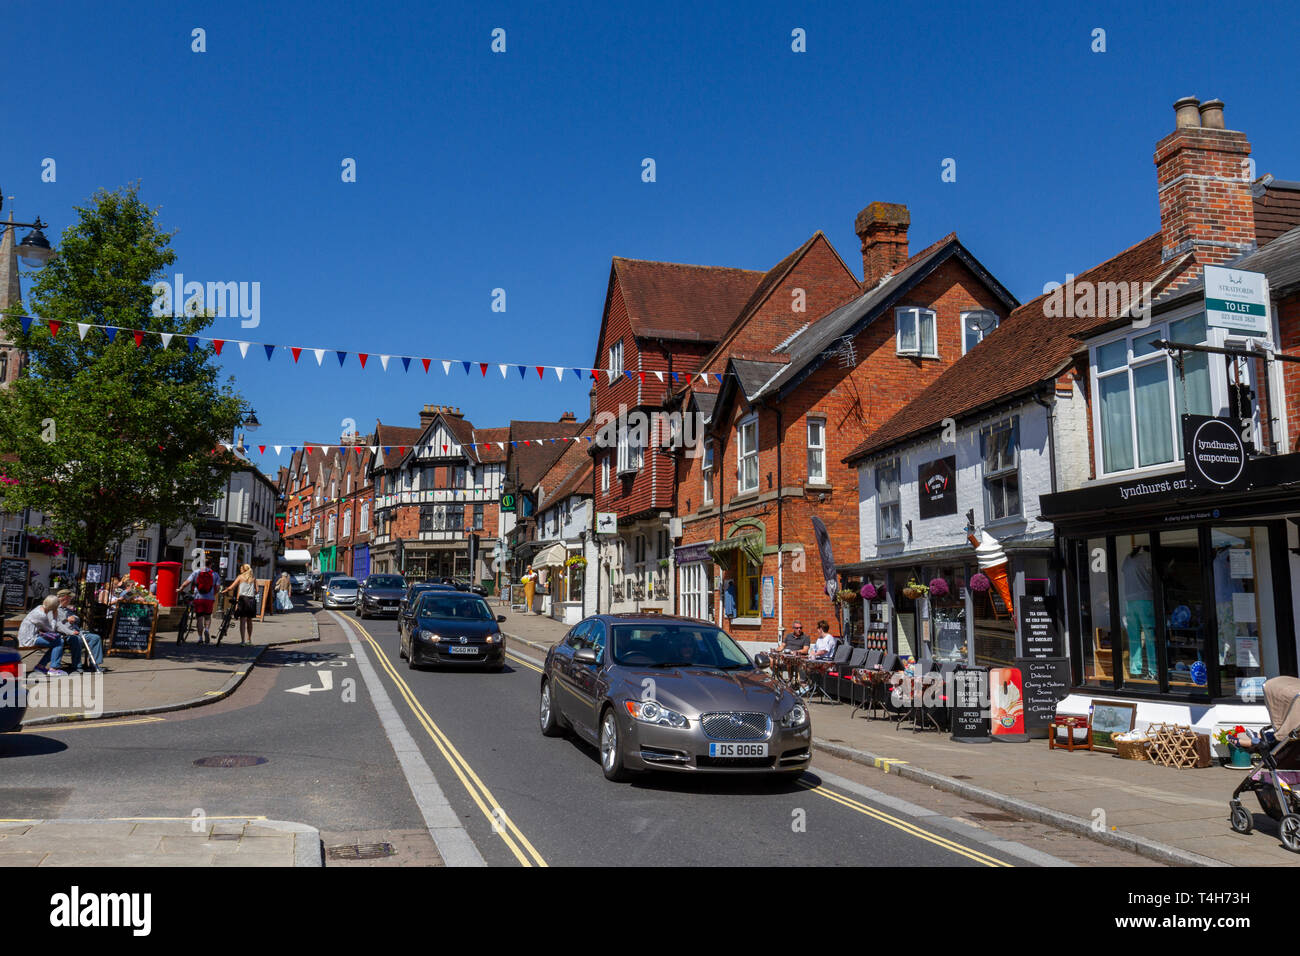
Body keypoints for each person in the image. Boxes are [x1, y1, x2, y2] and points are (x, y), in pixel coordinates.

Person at [17, 595, 72, 676]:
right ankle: (53, 669)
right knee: (59, 642)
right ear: (53, 607)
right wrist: (55, 616)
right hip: (29, 639)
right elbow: (51, 629)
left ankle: (41, 666)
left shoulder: (39, 607)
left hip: (29, 636)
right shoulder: (41, 615)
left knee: (57, 642)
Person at [55, 589, 104, 673]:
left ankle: (95, 663)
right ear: (64, 598)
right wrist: (66, 619)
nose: (70, 600)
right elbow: (56, 624)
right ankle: (77, 665)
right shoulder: (54, 609)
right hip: (65, 634)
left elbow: (77, 618)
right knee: (76, 639)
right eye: (69, 598)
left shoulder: (67, 609)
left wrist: (74, 618)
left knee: (95, 638)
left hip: (77, 632)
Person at [180, 564, 222, 644]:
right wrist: (213, 594)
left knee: (199, 618)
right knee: (208, 617)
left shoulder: (196, 572)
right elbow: (217, 588)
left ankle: (200, 638)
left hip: (198, 597)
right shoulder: (215, 574)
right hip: (209, 599)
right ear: (211, 565)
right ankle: (206, 630)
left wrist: (181, 588)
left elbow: (187, 582)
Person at [222, 564, 259, 646]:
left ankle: (242, 641)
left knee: (242, 621)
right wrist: (251, 592)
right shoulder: (253, 578)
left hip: (243, 600)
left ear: (244, 570)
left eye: (241, 569)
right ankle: (249, 640)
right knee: (249, 621)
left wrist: (224, 591)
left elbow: (231, 587)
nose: (240, 570)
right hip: (251, 600)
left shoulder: (240, 577)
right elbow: (257, 590)